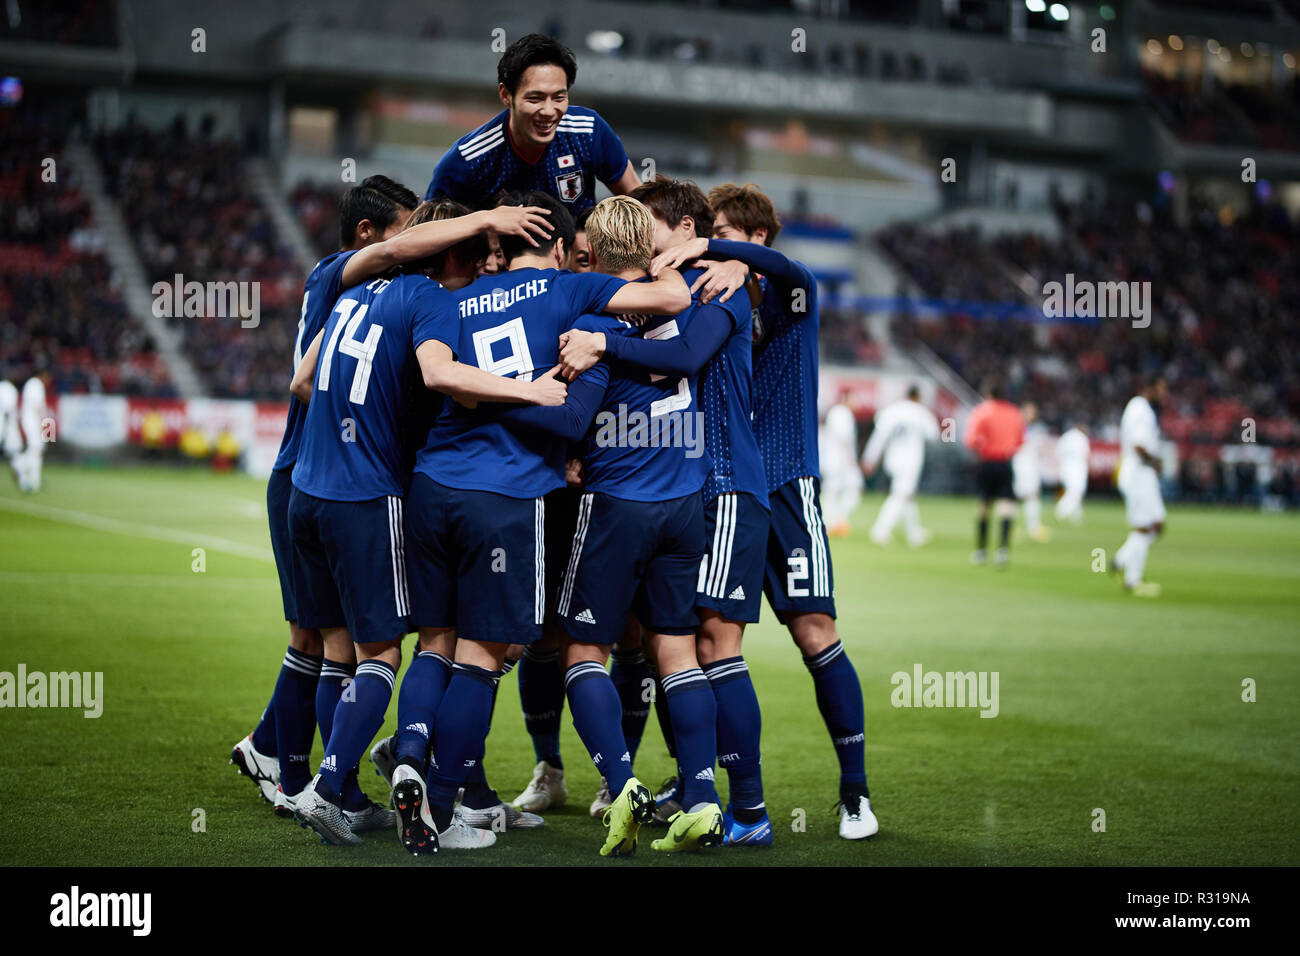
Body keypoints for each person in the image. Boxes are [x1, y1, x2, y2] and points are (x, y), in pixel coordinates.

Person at [389, 189, 690, 856]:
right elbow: (670, 301)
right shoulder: (568, 290)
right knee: (482, 657)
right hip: (507, 494)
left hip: (432, 486)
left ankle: (409, 752)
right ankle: (440, 807)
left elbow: (431, 381)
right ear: (559, 247)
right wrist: (684, 253)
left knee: (434, 641)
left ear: (500, 248)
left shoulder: (451, 298)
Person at [287, 199, 570, 848]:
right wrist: (532, 389)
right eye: (476, 255)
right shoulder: (431, 301)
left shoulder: (353, 288)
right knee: (388, 654)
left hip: (309, 488)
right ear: (454, 250)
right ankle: (330, 788)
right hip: (368, 496)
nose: (482, 267)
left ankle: (360, 786)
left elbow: (303, 382)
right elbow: (441, 374)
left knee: (342, 653)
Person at [637, 181, 879, 841]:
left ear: (755, 239)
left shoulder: (791, 295)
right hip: (717, 483)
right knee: (690, 638)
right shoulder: (708, 296)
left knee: (814, 634)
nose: (706, 251)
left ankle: (854, 792)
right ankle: (707, 783)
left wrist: (726, 254)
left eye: (721, 236)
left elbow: (790, 272)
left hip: (784, 481)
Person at [425, 34, 641, 214]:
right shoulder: (468, 160)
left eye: (558, 98)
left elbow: (640, 204)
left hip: (578, 261)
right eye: (535, 99)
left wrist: (675, 243)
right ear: (506, 95)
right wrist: (483, 221)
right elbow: (425, 232)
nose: (548, 111)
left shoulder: (589, 131)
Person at [861, 385, 939, 547]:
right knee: (901, 495)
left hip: (893, 459)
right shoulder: (920, 412)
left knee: (908, 495)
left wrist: (870, 458)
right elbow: (934, 435)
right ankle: (880, 530)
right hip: (911, 460)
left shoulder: (891, 411)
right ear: (918, 396)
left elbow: (879, 437)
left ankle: (914, 533)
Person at [1113, 379, 1168, 597]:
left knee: (1157, 523)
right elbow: (1137, 444)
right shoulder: (1140, 409)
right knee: (1144, 526)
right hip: (1138, 473)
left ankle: (1121, 560)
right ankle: (1132, 581)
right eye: (1162, 388)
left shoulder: (1142, 409)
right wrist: (1155, 461)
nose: (1165, 393)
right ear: (1150, 387)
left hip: (1143, 474)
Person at [963, 381, 1025, 568]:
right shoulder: (1014, 413)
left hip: (987, 462)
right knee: (1006, 506)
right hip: (1005, 463)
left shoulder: (981, 412)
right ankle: (1003, 552)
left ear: (987, 393)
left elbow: (971, 441)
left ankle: (981, 551)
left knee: (983, 505)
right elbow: (1021, 441)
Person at [819, 397, 862, 537]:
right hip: (838, 459)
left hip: (833, 458)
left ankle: (834, 521)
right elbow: (843, 438)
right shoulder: (842, 413)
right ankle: (831, 522)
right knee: (840, 490)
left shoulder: (835, 412)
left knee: (833, 491)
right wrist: (849, 459)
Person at [1013, 401, 1051, 543]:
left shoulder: (1039, 429)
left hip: (1033, 466)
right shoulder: (1017, 426)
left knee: (1033, 495)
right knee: (1016, 496)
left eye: (1033, 411)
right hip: (1019, 465)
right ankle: (1011, 527)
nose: (1032, 414)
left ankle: (1034, 528)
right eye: (1029, 411)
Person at [1054, 422, 1090, 523]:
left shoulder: (1066, 436)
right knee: (1075, 491)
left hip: (1065, 467)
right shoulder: (1082, 437)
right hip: (1077, 467)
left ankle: (1075, 515)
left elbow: (1058, 452)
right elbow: (1085, 454)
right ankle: (1061, 510)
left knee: (1074, 491)